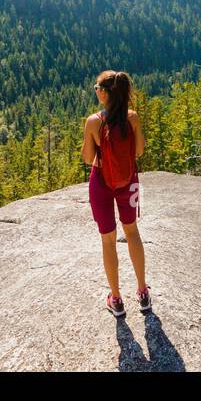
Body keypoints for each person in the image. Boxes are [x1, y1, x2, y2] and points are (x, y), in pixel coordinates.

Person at [81, 70, 150, 317]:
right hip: (129, 180)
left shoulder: (93, 121)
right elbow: (139, 151)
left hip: (101, 182)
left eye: (97, 87)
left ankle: (117, 299)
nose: (96, 91)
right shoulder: (133, 118)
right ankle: (142, 292)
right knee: (132, 231)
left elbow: (89, 158)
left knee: (108, 239)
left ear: (105, 93)